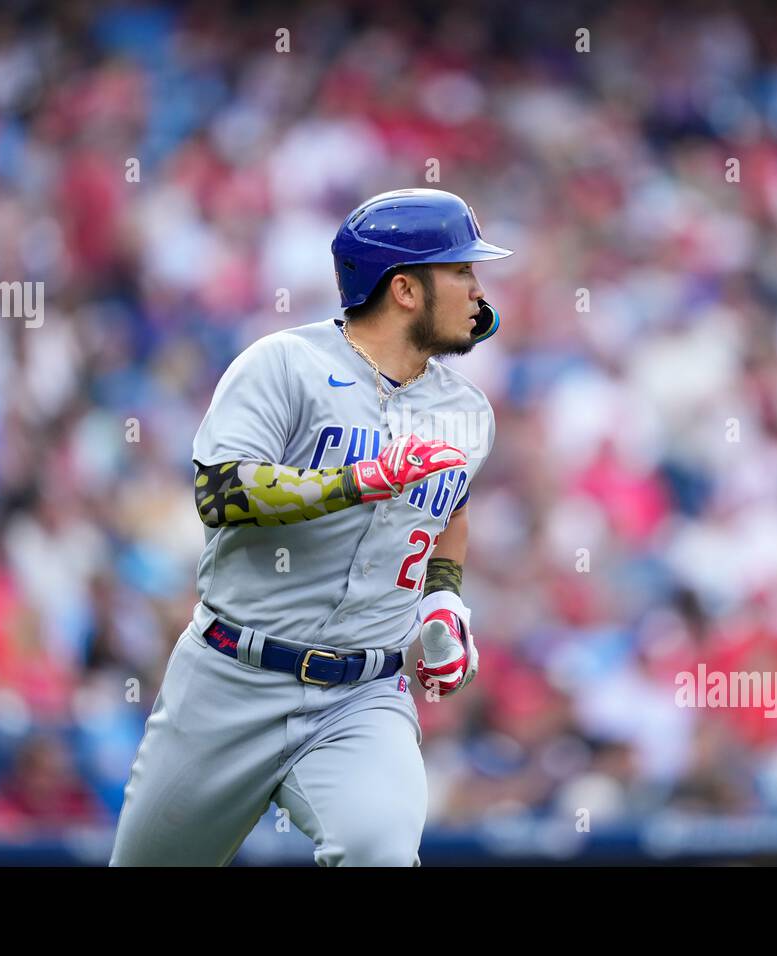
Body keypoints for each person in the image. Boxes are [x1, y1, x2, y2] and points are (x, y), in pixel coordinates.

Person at [110, 188, 513, 866]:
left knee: (379, 854)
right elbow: (219, 490)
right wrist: (354, 481)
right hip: (230, 677)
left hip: (363, 696)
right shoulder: (284, 364)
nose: (478, 289)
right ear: (406, 290)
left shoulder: (468, 410)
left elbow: (453, 508)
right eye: (462, 271)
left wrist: (442, 598)